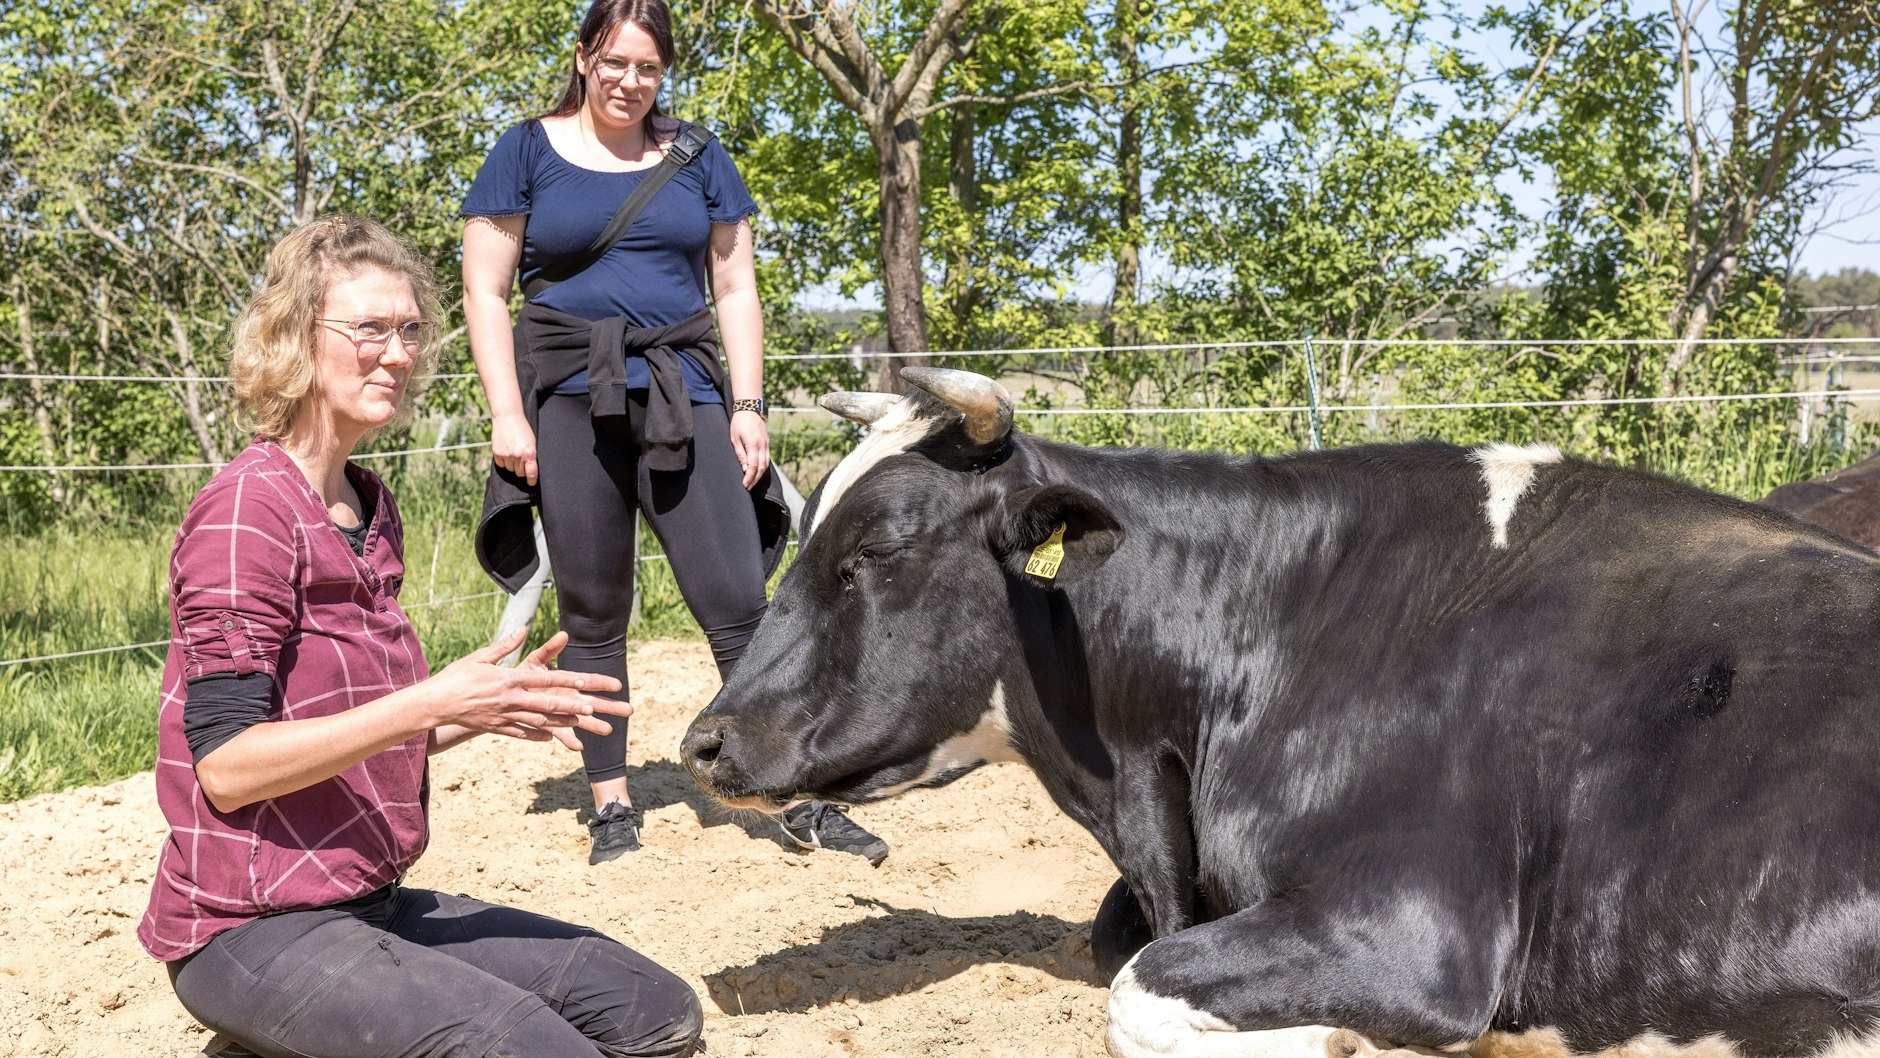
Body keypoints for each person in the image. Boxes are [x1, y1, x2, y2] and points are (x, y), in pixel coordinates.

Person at [138, 216, 704, 1058]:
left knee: (656, 1011)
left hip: (369, 901)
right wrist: (426, 702)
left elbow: (360, 733)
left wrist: (477, 707)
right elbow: (226, 768)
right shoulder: (245, 513)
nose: (399, 354)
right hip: (251, 927)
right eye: (368, 329)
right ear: (297, 338)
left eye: (409, 330)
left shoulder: (367, 502)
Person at [460, 0, 887, 866]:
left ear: (665, 74)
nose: (629, 81)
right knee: (591, 606)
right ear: (584, 58)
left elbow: (735, 289)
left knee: (738, 601)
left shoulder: (697, 154)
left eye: (647, 68)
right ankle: (612, 804)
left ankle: (791, 790)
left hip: (683, 390)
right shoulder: (525, 150)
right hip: (569, 399)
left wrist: (748, 405)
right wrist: (508, 412)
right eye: (614, 62)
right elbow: (484, 291)